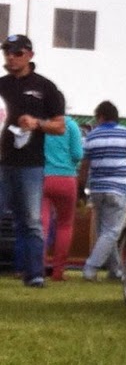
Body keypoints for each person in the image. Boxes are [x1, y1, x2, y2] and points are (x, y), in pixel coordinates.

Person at [0, 33, 67, 287]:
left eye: (17, 52)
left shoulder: (45, 87)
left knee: (31, 221)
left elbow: (60, 126)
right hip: (2, 162)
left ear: (29, 55)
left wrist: (37, 123)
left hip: (30, 164)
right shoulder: (1, 86)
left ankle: (35, 274)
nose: (10, 57)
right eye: (7, 52)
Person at [79, 99, 126, 281]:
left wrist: (81, 188)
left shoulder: (91, 137)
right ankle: (90, 268)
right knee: (112, 231)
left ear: (100, 117)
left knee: (104, 231)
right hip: (119, 187)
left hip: (97, 188)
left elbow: (84, 167)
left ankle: (116, 270)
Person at [39, 110, 84, 280]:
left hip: (43, 177)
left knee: (42, 224)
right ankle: (58, 271)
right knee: (65, 225)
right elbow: (78, 154)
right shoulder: (71, 125)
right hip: (66, 178)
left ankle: (38, 269)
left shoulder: (42, 125)